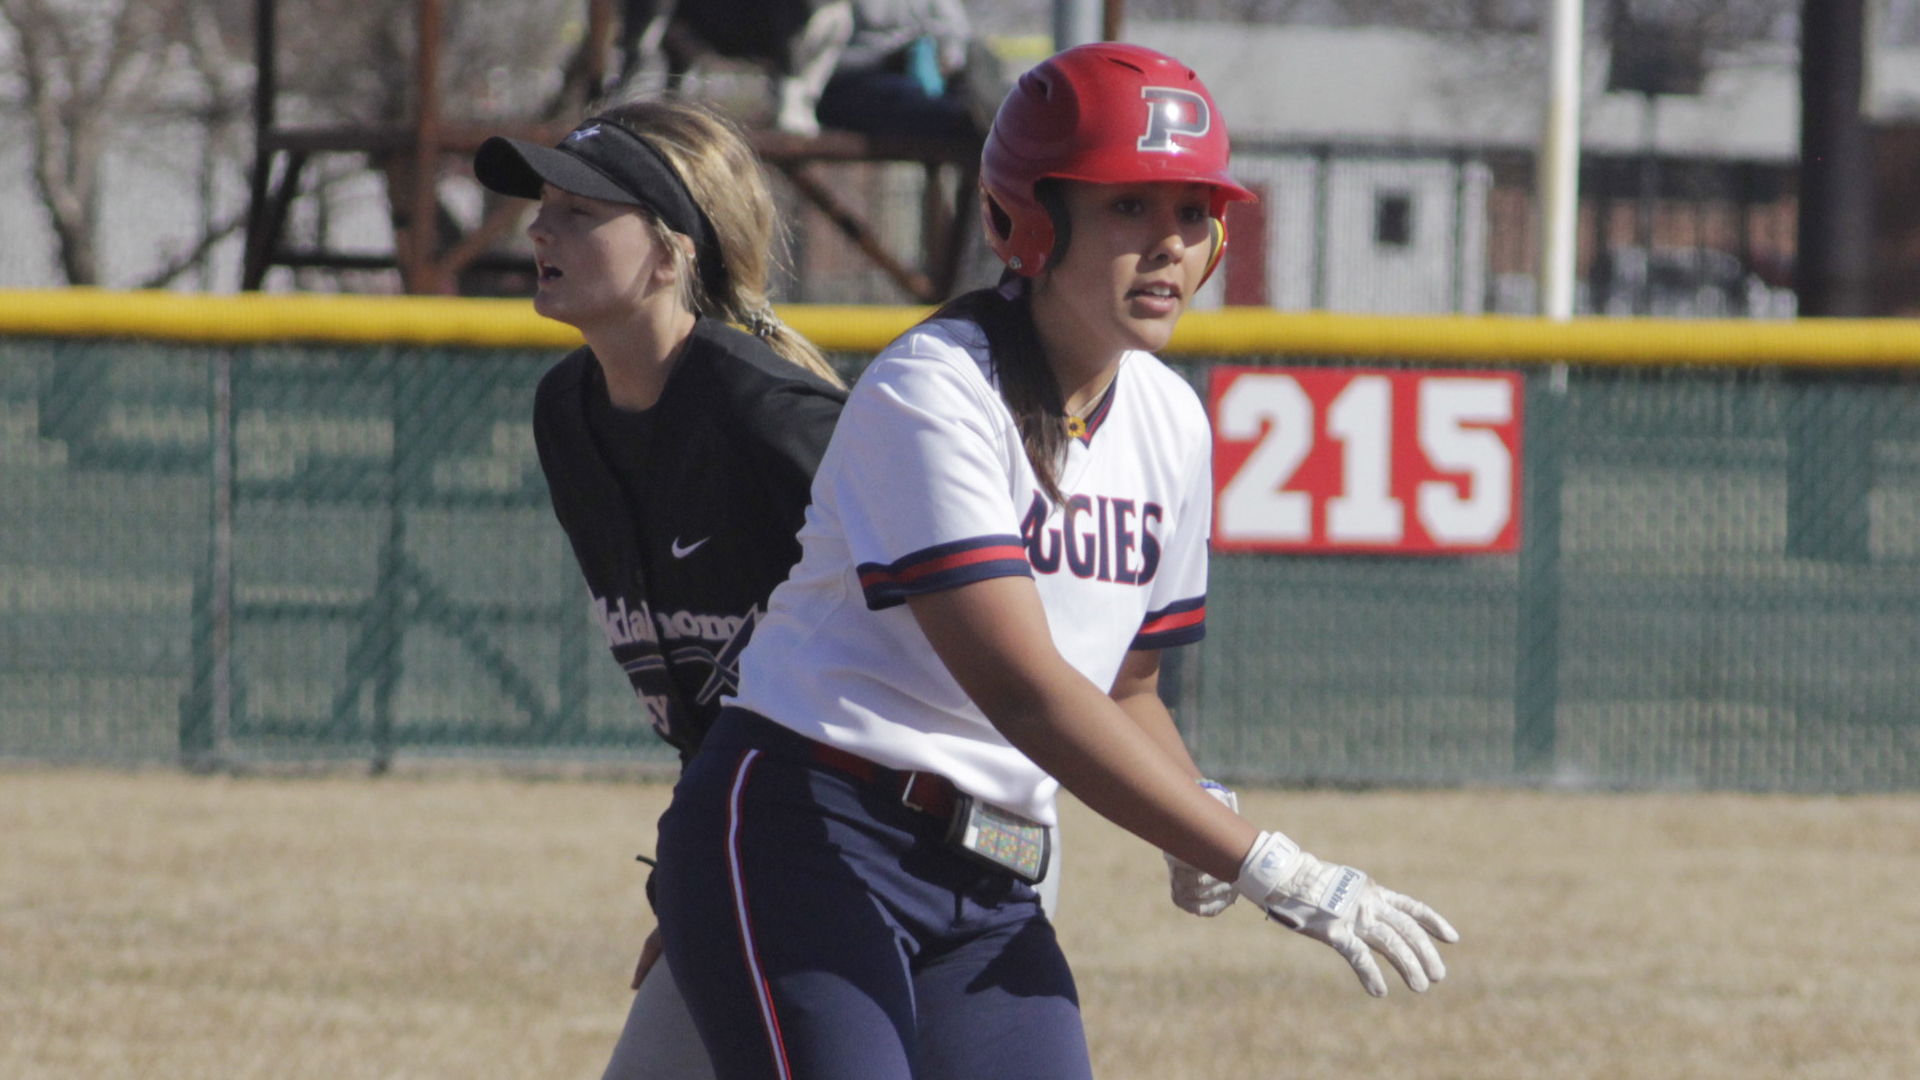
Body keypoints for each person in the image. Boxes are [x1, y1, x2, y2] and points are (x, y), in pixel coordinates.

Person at [651, 42, 1460, 1080]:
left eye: (1191, 212)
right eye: (1129, 207)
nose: (1170, 245)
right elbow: (1027, 691)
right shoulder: (934, 390)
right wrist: (1268, 862)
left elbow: (1125, 688)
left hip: (992, 878)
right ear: (1023, 220)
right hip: (808, 832)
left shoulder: (1170, 418)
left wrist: (1190, 805)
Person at [471, 101, 850, 1080]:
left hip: (881, 849)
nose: (539, 230)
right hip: (744, 843)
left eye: (581, 212)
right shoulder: (569, 412)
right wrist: (693, 886)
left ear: (670, 255)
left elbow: (941, 631)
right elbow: (715, 711)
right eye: (542, 206)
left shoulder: (771, 416)